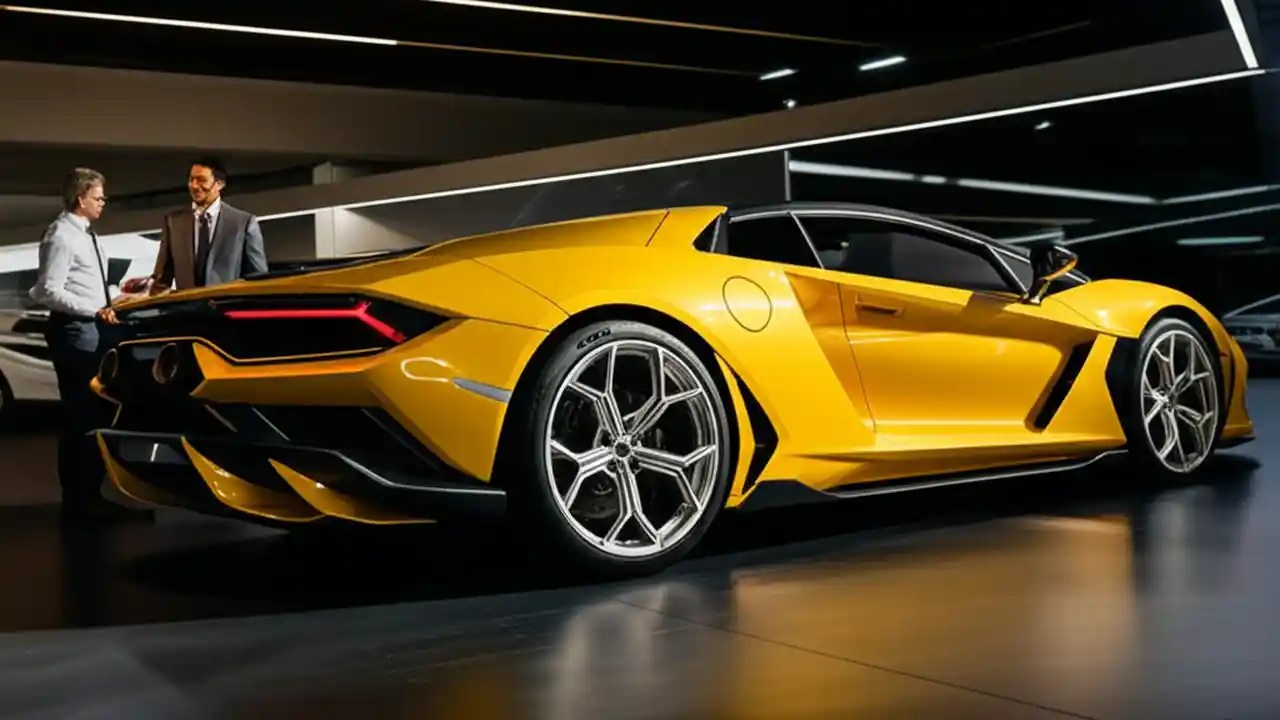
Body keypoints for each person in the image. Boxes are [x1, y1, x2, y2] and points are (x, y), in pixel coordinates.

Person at [29, 168, 151, 523]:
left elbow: (87, 287)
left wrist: (121, 295)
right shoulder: (61, 236)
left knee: (91, 413)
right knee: (80, 415)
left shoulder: (85, 234)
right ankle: (80, 501)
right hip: (75, 332)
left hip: (91, 329)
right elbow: (47, 290)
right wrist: (95, 309)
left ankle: (89, 496)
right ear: (80, 198)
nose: (103, 202)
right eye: (98, 197)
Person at [124, 156, 268, 295]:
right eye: (191, 179)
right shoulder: (174, 222)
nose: (194, 185)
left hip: (226, 314)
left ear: (219, 184)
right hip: (188, 315)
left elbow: (258, 280)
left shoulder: (243, 223)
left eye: (201, 180)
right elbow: (162, 280)